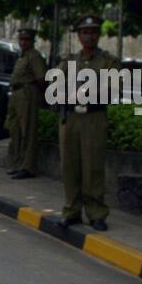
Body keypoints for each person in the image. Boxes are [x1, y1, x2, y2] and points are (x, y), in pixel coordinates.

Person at [60, 14, 119, 230]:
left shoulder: (108, 61)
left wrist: (82, 92)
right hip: (72, 117)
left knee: (93, 166)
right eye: (85, 32)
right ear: (78, 36)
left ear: (98, 35)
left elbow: (112, 87)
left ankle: (96, 213)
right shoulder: (69, 61)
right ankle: (71, 211)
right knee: (70, 166)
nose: (89, 36)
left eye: (93, 32)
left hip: (94, 117)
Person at [7, 27, 48, 180]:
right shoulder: (22, 57)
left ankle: (28, 166)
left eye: (26, 40)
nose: (23, 42)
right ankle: (17, 163)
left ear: (32, 41)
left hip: (27, 93)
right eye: (21, 39)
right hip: (16, 93)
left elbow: (42, 79)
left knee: (28, 131)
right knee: (15, 130)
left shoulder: (34, 56)